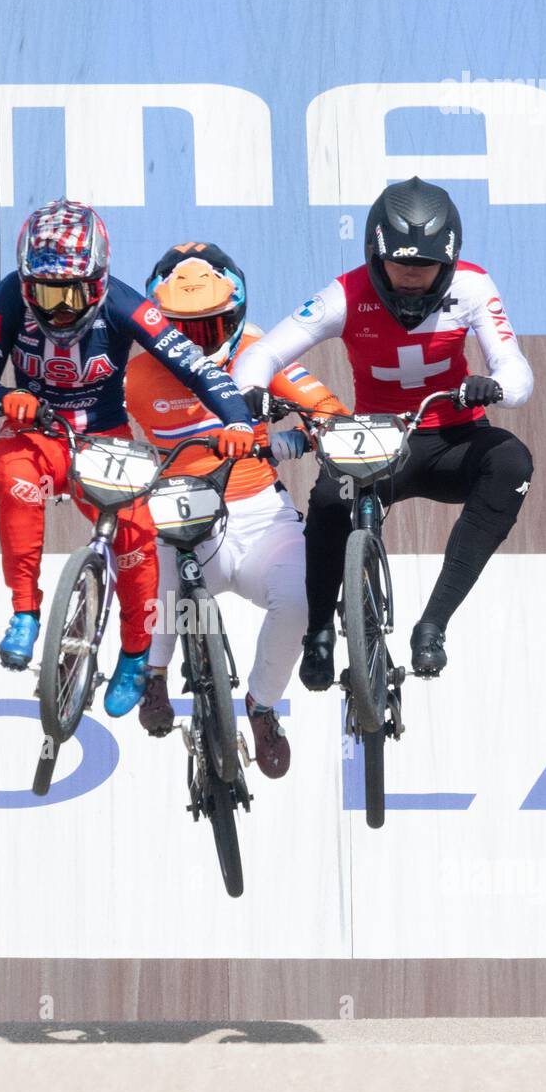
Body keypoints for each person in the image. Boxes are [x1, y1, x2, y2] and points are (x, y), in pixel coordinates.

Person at [0, 200, 256, 716]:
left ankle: (135, 656)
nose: (61, 309)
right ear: (26, 283)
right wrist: (7, 398)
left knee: (139, 539)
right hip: (39, 430)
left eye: (73, 292)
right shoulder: (7, 296)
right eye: (47, 293)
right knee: (15, 481)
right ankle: (25, 613)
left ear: (99, 279)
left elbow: (195, 368)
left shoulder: (126, 304)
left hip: (104, 436)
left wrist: (237, 420)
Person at [234, 176, 534, 684]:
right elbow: (261, 353)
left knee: (511, 462)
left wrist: (494, 386)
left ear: (450, 258)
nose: (414, 277)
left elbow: (517, 372)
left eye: (426, 265)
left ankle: (433, 625)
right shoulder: (345, 293)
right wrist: (254, 393)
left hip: (454, 436)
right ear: (377, 253)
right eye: (401, 264)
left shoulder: (473, 286)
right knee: (329, 500)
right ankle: (320, 634)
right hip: (375, 439)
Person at [125, 242, 345, 776]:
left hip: (258, 511)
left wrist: (310, 434)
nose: (196, 344)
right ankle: (155, 676)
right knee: (162, 567)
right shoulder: (134, 373)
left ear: (236, 315)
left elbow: (331, 412)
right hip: (183, 510)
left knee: (301, 598)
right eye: (181, 330)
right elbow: (94, 424)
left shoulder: (260, 350)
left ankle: (261, 706)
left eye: (209, 327)